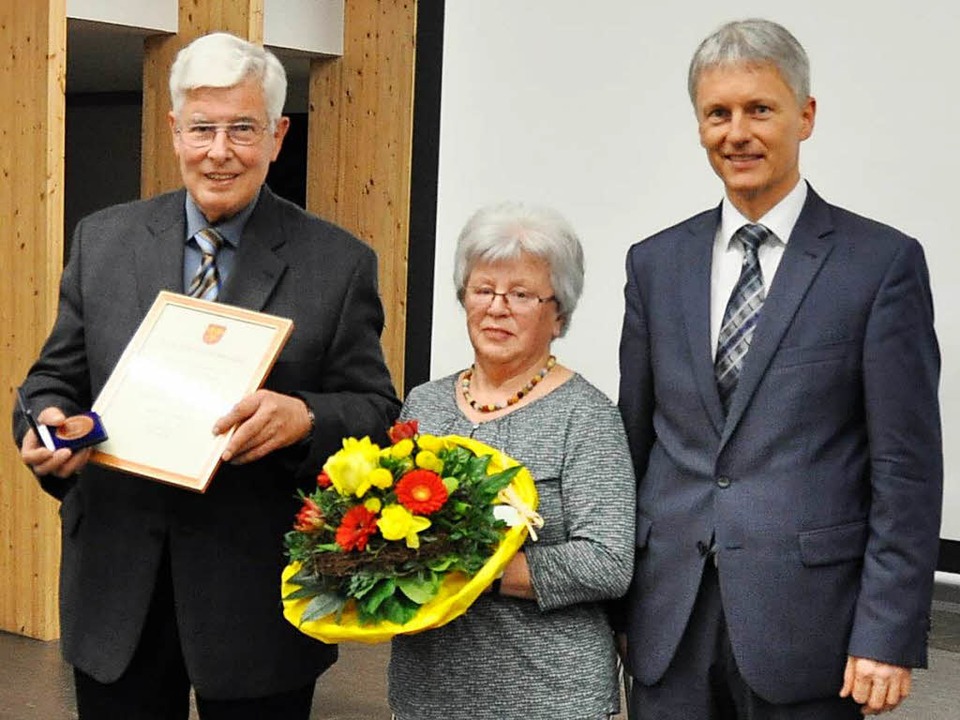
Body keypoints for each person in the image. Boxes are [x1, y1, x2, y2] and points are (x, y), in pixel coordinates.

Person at [13, 32, 400, 720]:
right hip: (115, 589)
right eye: (202, 128)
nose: (219, 151)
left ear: (278, 135)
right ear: (174, 130)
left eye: (242, 129)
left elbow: (375, 408)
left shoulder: (338, 264)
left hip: (258, 593)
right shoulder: (103, 241)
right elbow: (52, 380)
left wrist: (306, 418)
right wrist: (43, 426)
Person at [616, 18, 942, 719]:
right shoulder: (654, 264)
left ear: (806, 115)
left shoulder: (881, 265)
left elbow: (906, 468)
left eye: (759, 109)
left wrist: (886, 632)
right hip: (668, 620)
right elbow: (634, 443)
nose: (738, 132)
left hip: (811, 628)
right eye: (718, 113)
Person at [388, 202, 636, 720]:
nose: (497, 308)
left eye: (521, 294)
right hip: (428, 690)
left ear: (559, 313)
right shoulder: (424, 404)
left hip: (549, 693)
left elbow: (609, 563)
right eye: (483, 290)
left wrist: (474, 570)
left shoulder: (586, 416)